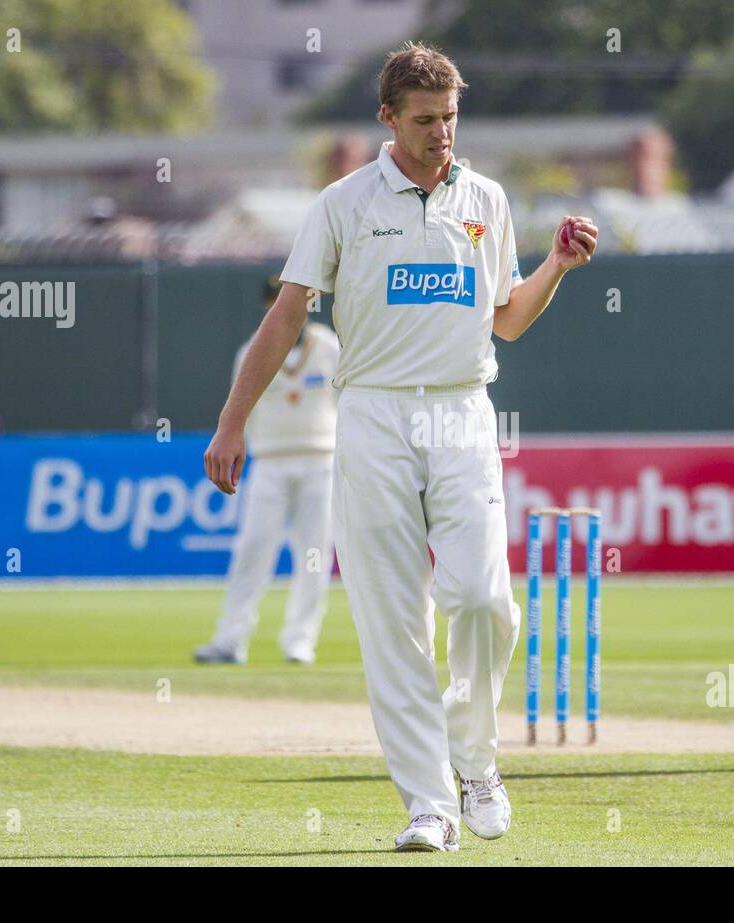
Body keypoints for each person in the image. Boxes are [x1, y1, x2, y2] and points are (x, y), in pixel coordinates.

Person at [203, 42, 597, 852]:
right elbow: (286, 317)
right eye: (425, 121)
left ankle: (477, 762)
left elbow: (508, 319)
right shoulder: (343, 203)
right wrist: (232, 420)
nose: (442, 135)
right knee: (394, 624)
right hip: (375, 417)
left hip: (462, 416)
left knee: (485, 603)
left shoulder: (485, 197)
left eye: (450, 118)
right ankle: (431, 805)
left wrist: (556, 264)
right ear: (388, 118)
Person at [194, 275, 340, 666]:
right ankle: (230, 640)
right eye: (280, 300)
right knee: (253, 549)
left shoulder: (328, 346)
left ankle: (299, 642)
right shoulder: (251, 354)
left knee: (314, 553)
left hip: (320, 461)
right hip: (271, 462)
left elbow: (349, 400)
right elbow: (240, 414)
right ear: (267, 305)